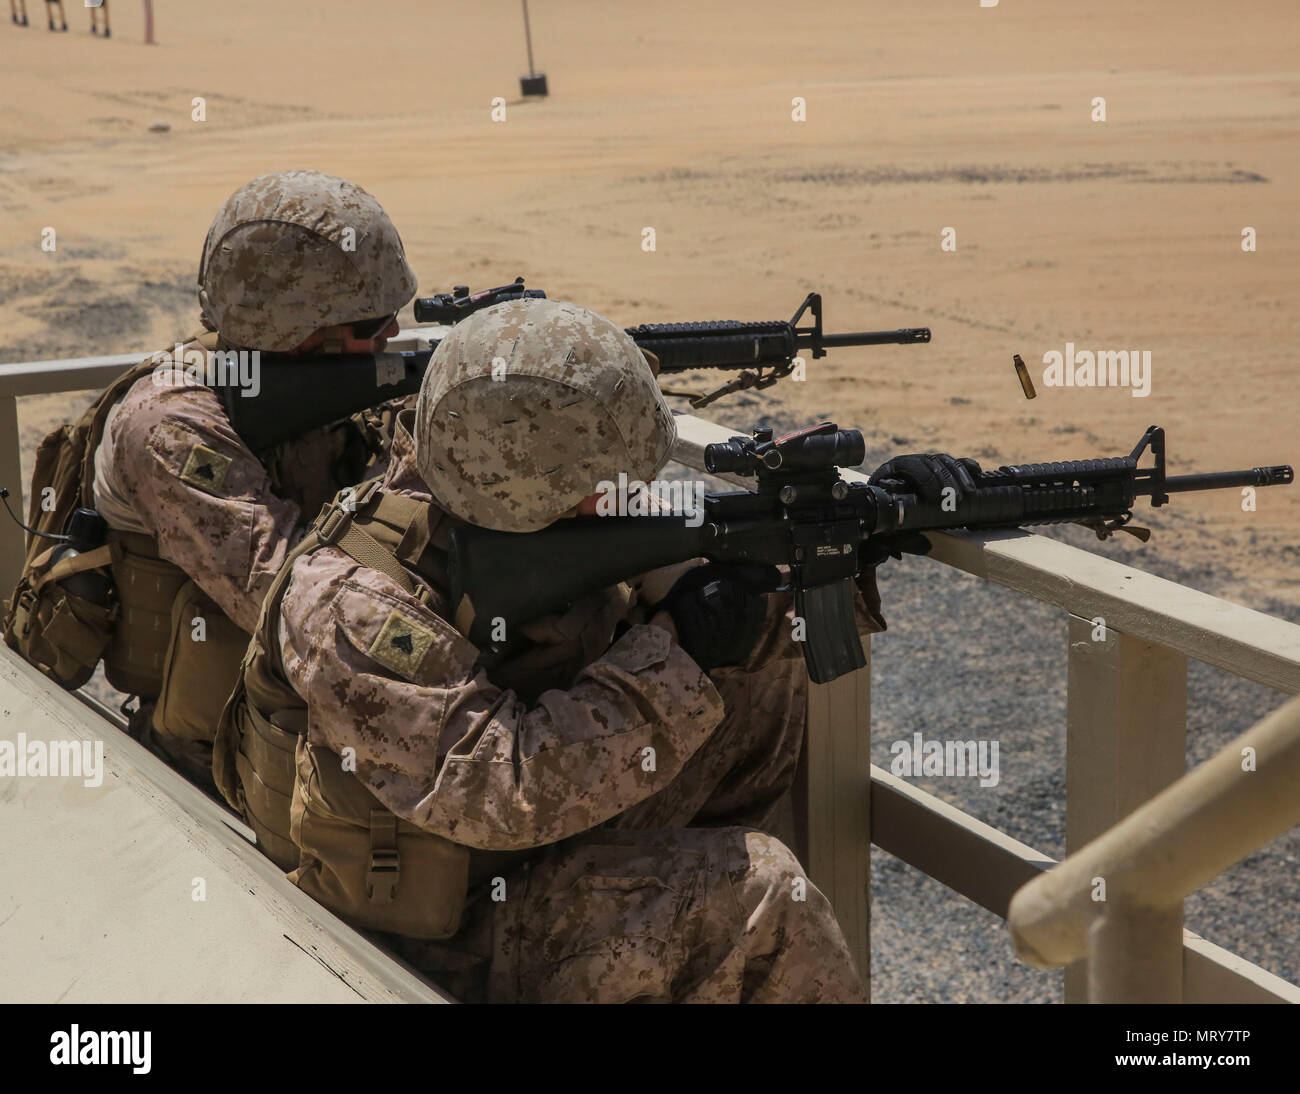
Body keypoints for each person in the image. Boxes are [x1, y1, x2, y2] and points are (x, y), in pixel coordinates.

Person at [215, 296, 899, 1002]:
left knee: (758, 676)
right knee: (766, 893)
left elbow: (732, 603)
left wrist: (864, 538)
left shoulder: (518, 517)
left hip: (519, 856)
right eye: (606, 486)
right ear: (529, 484)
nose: (630, 497)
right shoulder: (355, 603)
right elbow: (498, 790)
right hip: (439, 929)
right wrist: (679, 648)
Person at [80, 170, 415, 787]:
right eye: (371, 324)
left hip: (304, 715)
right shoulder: (170, 426)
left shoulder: (319, 378)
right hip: (217, 759)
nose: (393, 333)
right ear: (295, 333)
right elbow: (285, 599)